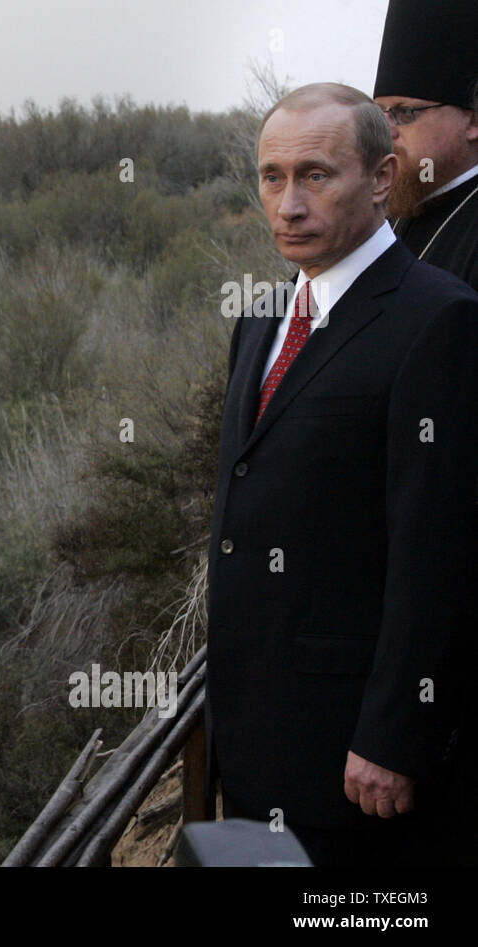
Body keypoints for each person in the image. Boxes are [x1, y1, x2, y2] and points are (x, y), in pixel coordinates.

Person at [204, 82, 478, 866]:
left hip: (355, 762)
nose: (289, 203)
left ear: (383, 178)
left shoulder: (439, 320)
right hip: (251, 740)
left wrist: (396, 734)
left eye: (317, 175)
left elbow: (442, 551)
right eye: (272, 177)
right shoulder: (260, 320)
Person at [373, 0, 478, 290]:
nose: (387, 132)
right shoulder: (385, 217)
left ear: (472, 122)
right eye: (380, 113)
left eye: (404, 113)